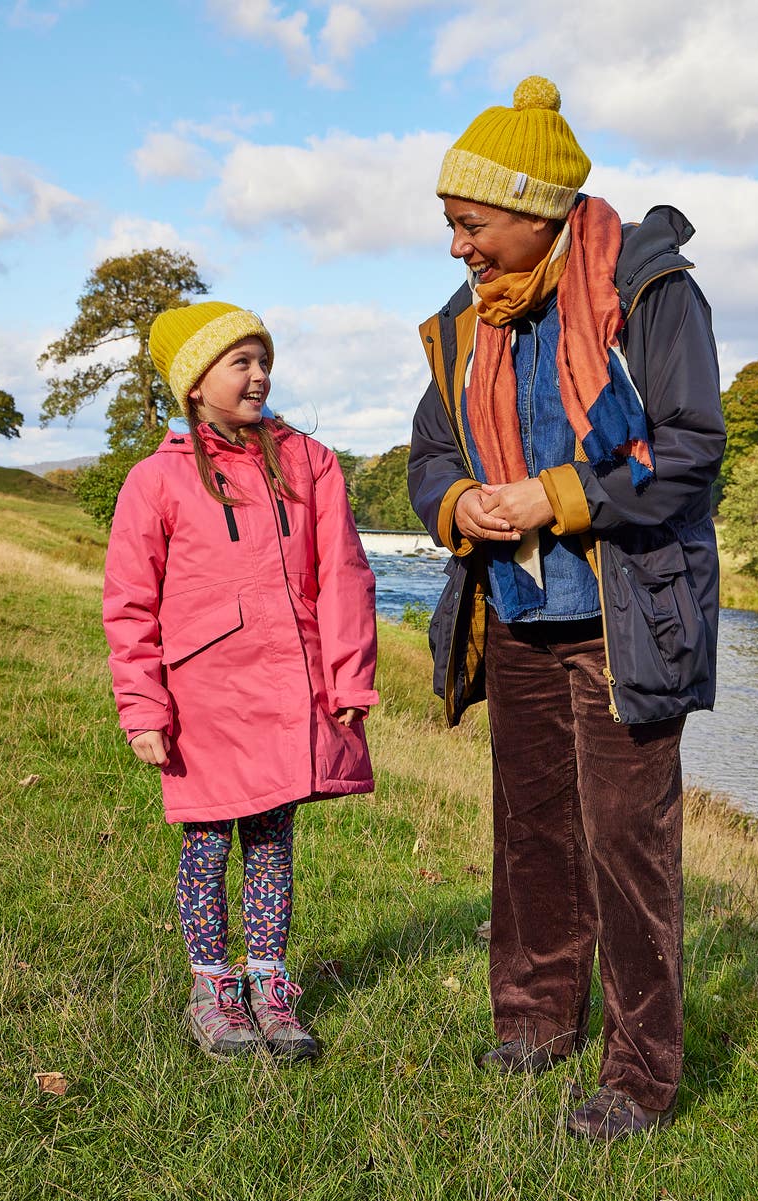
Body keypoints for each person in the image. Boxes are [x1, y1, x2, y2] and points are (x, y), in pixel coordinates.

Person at [408, 78, 725, 1140]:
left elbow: (688, 445)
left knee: (626, 845)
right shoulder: (461, 325)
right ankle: (537, 1020)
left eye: (469, 223)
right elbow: (431, 454)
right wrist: (457, 502)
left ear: (534, 208)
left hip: (626, 611)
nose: (456, 246)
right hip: (516, 615)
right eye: (450, 225)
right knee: (530, 831)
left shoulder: (647, 285)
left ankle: (638, 1074)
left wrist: (557, 494)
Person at [104, 301, 378, 1063]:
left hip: (290, 691)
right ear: (194, 383)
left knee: (271, 842)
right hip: (204, 701)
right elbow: (129, 603)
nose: (259, 375)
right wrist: (143, 707)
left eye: (264, 360)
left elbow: (345, 575)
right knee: (205, 845)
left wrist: (349, 677)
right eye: (240, 362)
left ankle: (269, 982)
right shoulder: (154, 481)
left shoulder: (309, 463)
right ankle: (210, 987)